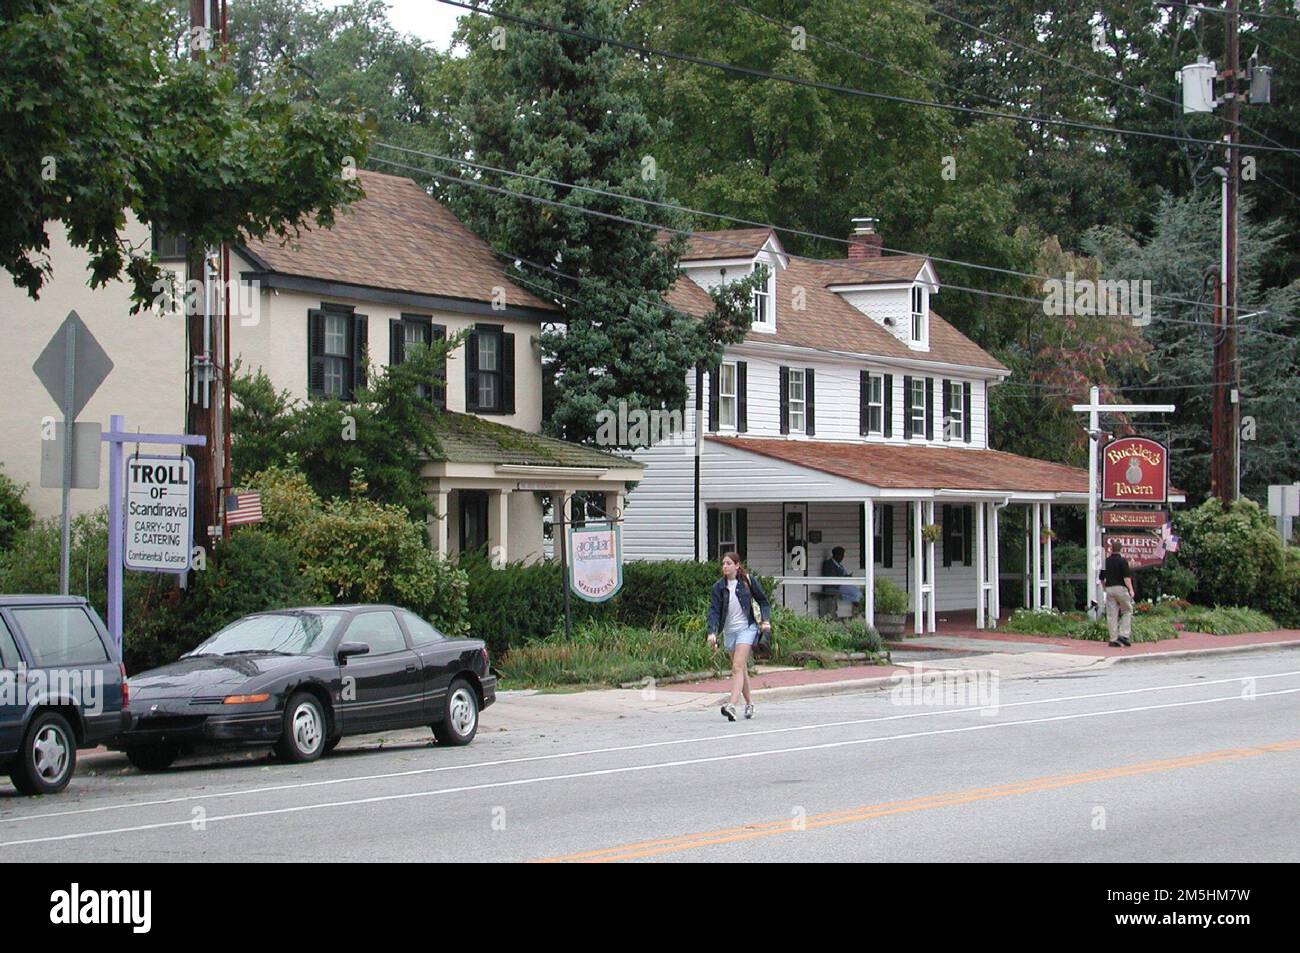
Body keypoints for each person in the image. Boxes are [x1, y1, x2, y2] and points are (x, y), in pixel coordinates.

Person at [705, 552, 772, 721]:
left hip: (747, 628)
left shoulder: (747, 582)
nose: (725, 566)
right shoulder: (719, 587)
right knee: (741, 669)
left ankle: (731, 705)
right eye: (723, 564)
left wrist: (765, 621)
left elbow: (763, 601)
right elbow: (713, 611)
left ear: (737, 565)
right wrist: (712, 632)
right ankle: (749, 703)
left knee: (736, 666)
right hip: (729, 631)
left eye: (728, 563)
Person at [1101, 538, 1136, 647]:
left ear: (1111, 549)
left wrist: (1104, 588)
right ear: (1120, 549)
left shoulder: (1105, 561)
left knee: (1111, 614)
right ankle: (1123, 635)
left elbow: (1101, 578)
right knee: (1127, 610)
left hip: (1109, 589)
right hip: (1121, 588)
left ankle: (1113, 639)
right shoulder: (1123, 561)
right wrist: (1131, 589)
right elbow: (1126, 578)